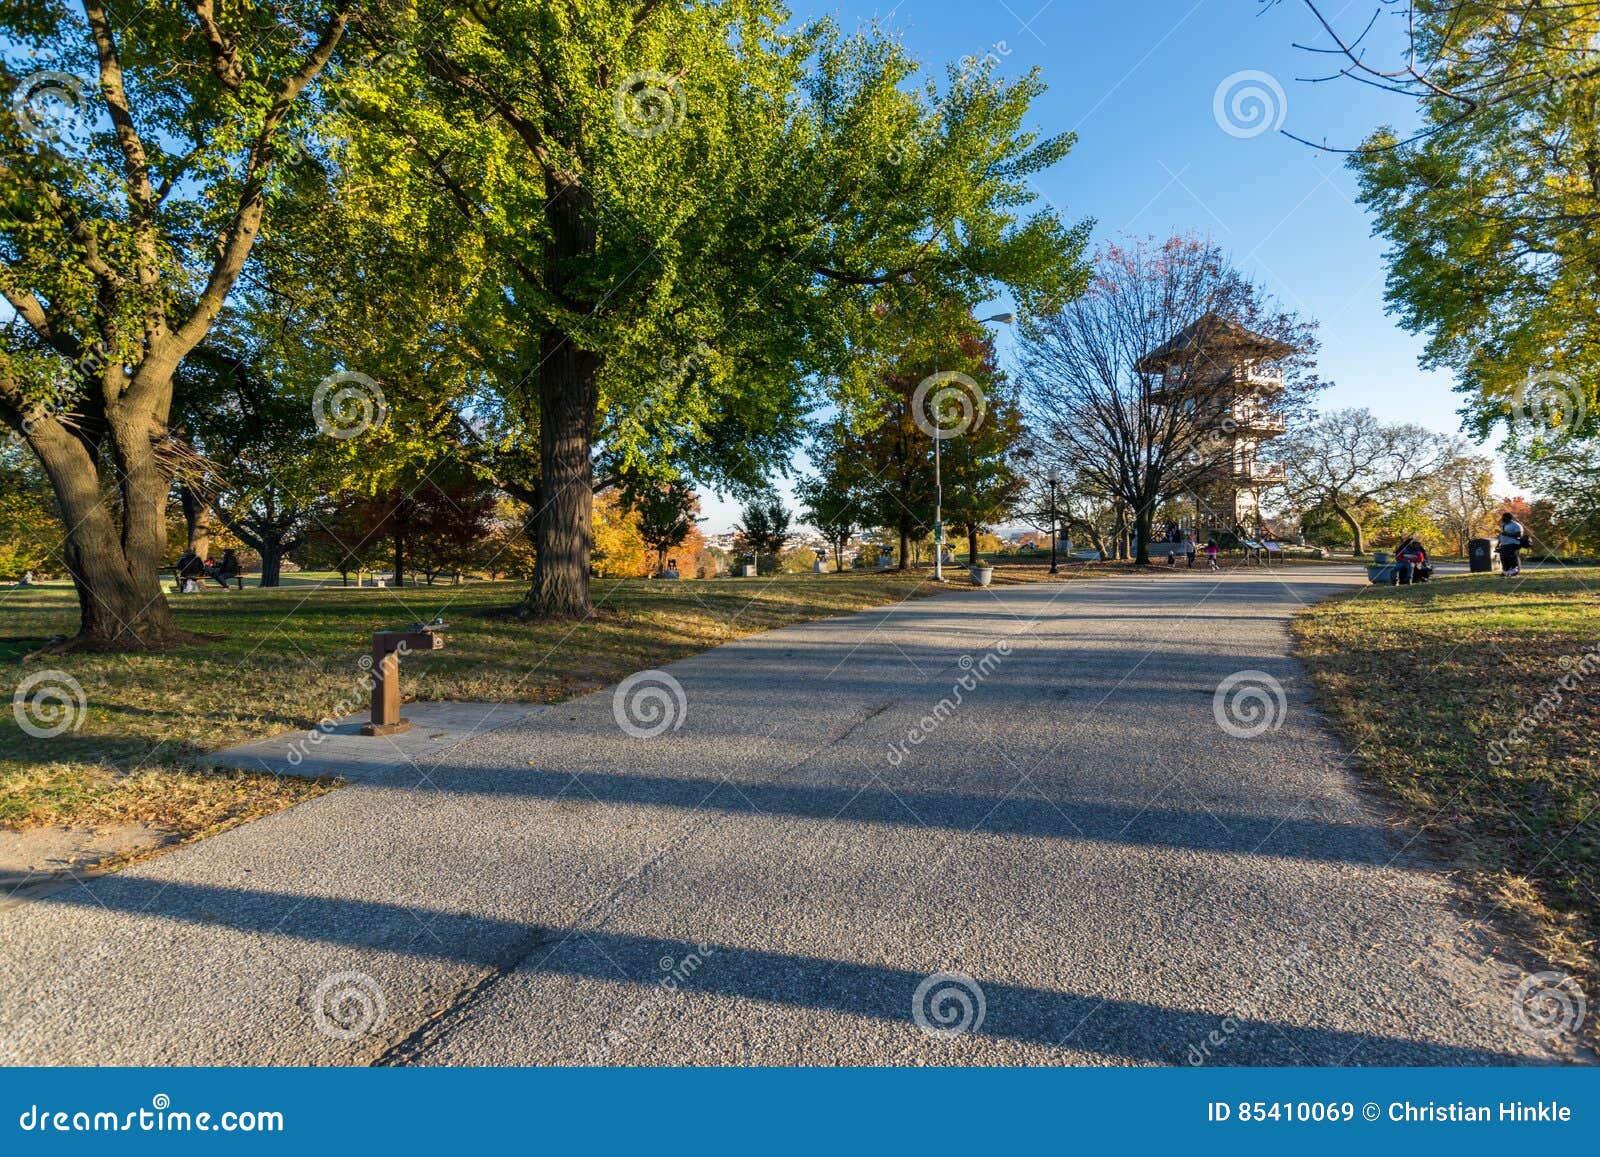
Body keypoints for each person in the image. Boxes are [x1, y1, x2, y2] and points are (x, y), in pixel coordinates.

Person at [1496, 511, 1526, 577]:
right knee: (1503, 558)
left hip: (1513, 544)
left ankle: (1514, 571)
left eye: (1504, 518)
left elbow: (1519, 534)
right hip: (1504, 544)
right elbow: (1501, 535)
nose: (1502, 519)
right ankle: (1505, 572)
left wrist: (1507, 534)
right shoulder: (1504, 525)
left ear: (1508, 518)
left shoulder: (1516, 525)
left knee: (1512, 558)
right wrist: (1498, 545)